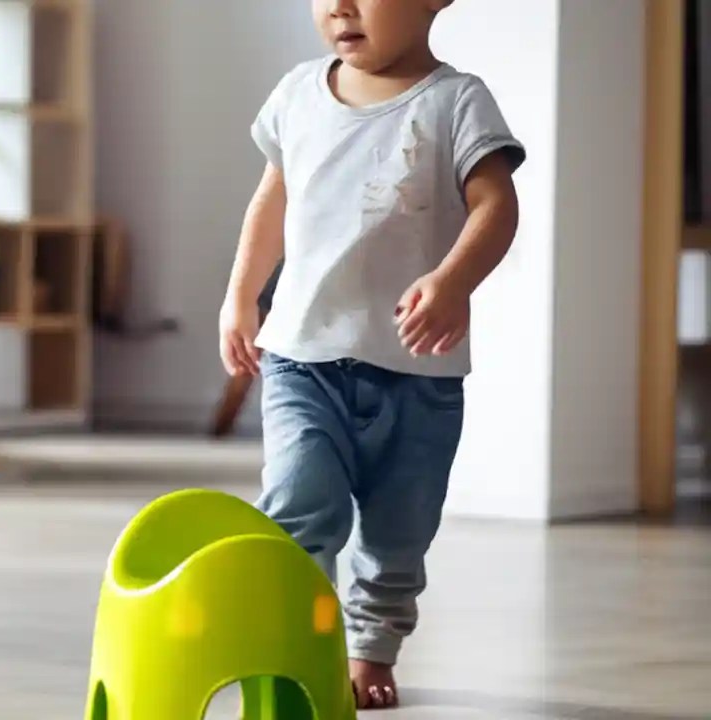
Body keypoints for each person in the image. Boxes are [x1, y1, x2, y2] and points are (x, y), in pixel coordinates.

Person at [218, 0, 524, 710]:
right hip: (303, 359)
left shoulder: (457, 101)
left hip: (418, 376)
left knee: (400, 528)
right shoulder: (297, 93)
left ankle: (371, 645)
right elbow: (270, 204)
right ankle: (282, 637)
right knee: (300, 498)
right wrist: (241, 296)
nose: (339, 6)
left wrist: (452, 282)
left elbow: (497, 207)